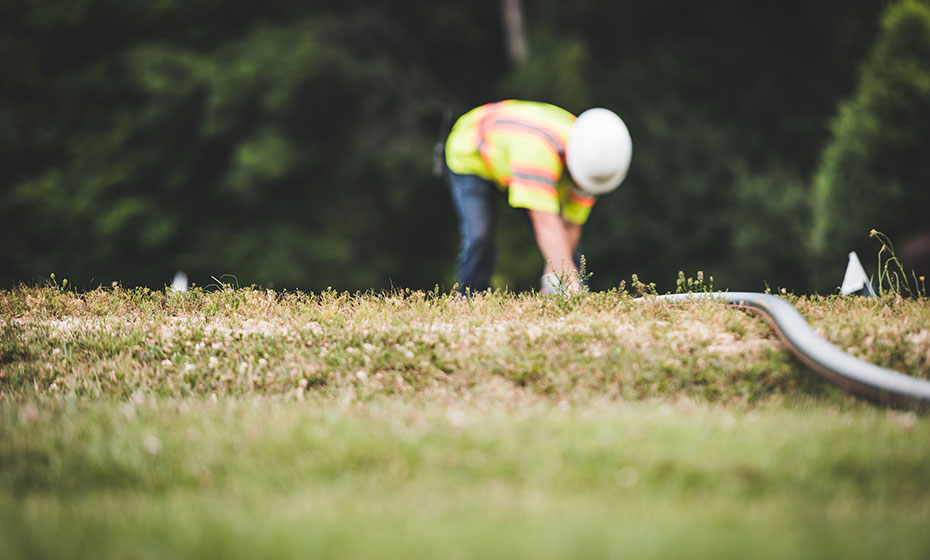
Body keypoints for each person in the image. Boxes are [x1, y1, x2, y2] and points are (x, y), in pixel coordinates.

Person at [444, 100, 632, 295]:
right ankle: (470, 299)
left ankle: (572, 303)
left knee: (567, 251)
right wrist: (569, 282)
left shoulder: (595, 163)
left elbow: (570, 224)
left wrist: (554, 278)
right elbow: (546, 223)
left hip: (514, 154)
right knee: (479, 237)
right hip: (472, 149)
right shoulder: (538, 153)